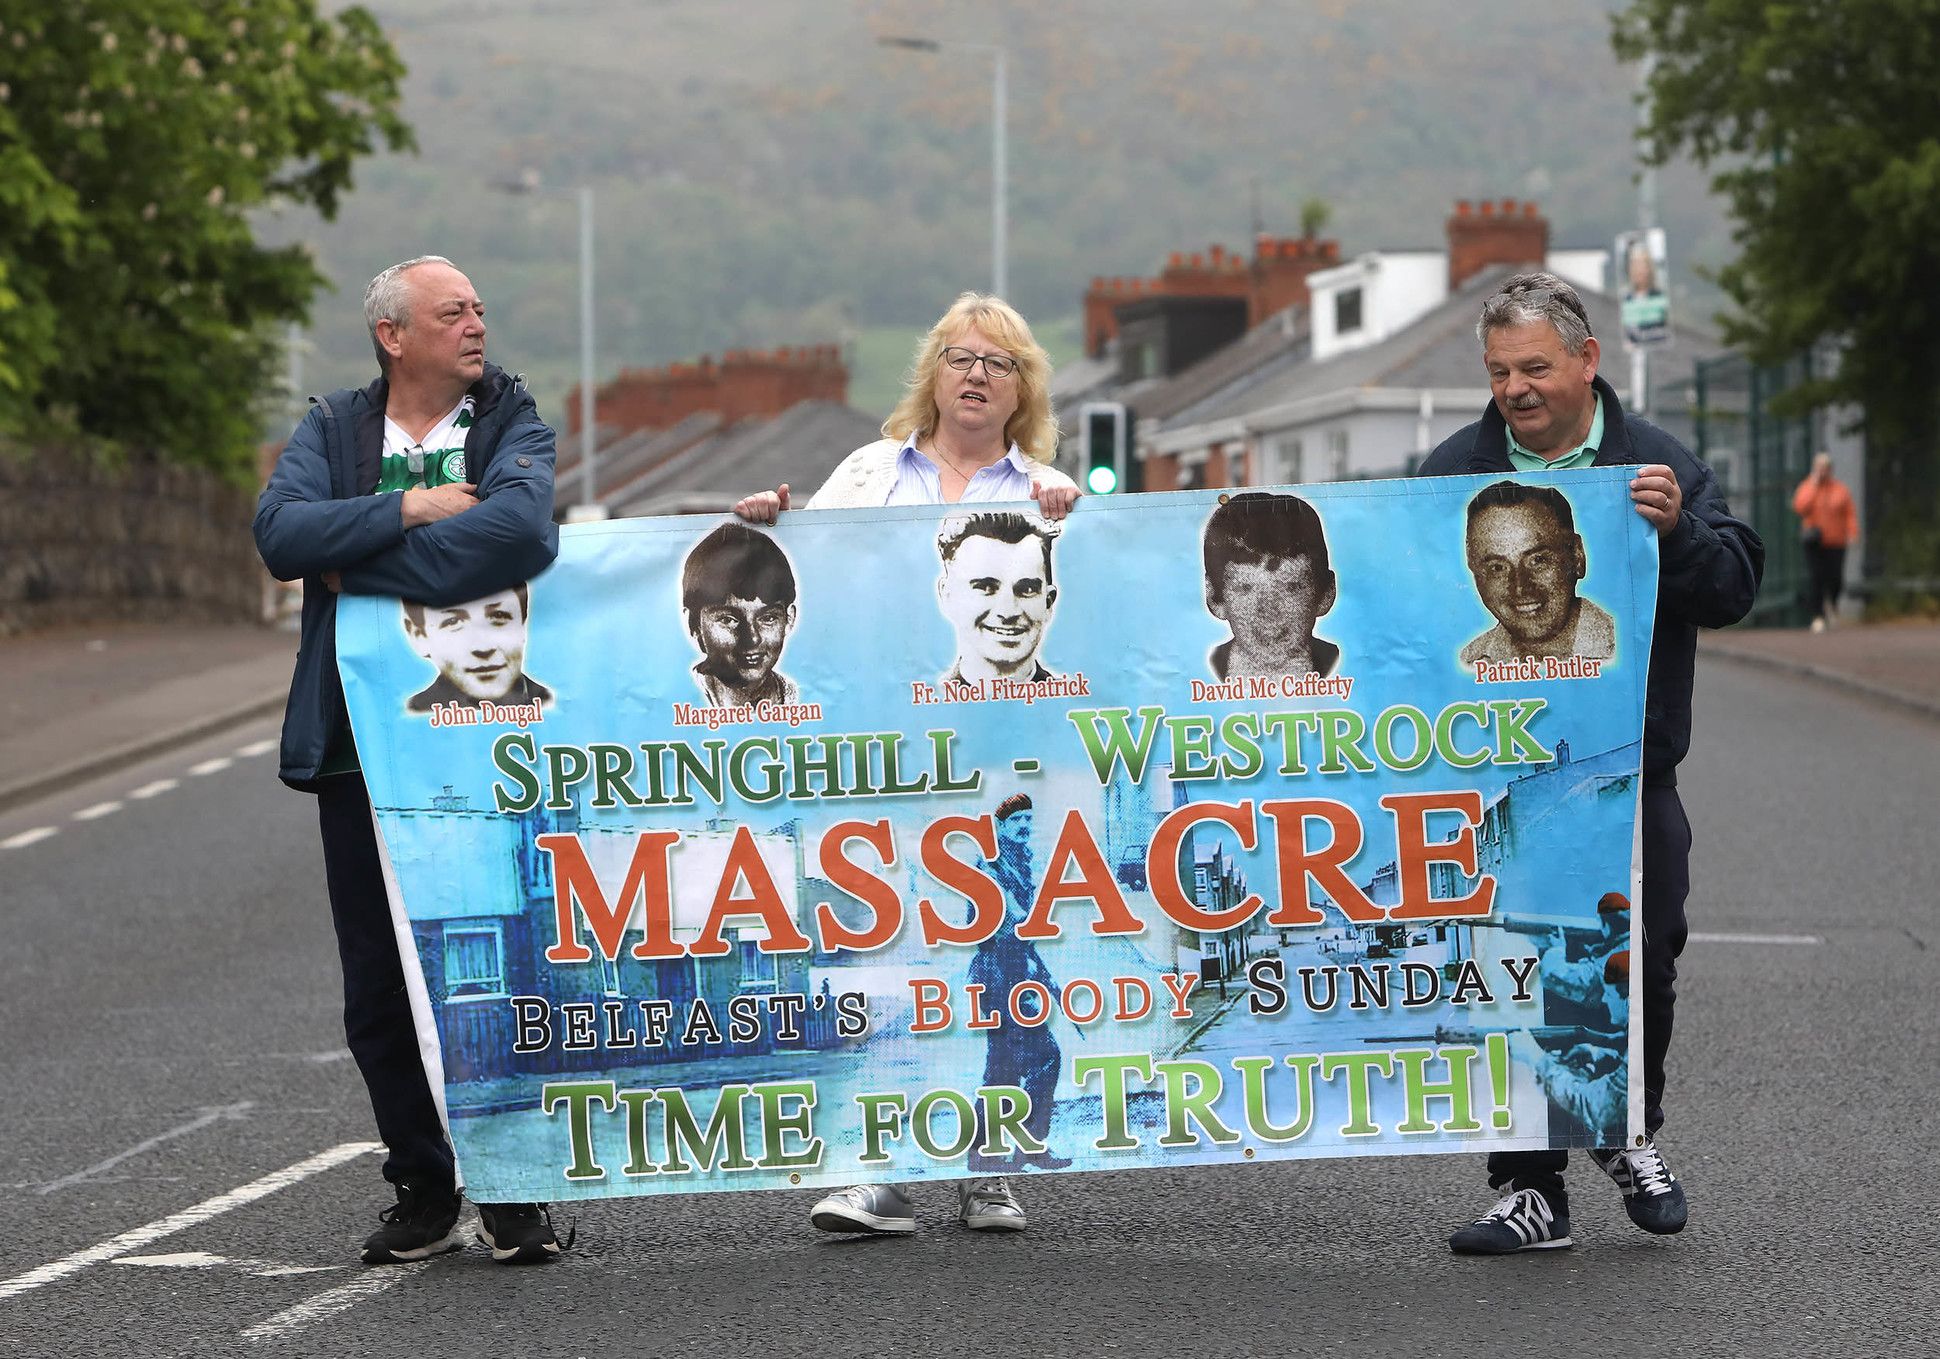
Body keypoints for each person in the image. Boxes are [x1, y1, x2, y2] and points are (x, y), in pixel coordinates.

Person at [1417, 270, 1763, 1255]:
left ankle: (1621, 1130)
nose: (1514, 388)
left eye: (1533, 367)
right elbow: (1392, 614)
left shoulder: (1656, 464)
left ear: (1585, 361)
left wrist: (1679, 533)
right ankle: (1526, 1188)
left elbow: (1734, 585)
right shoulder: (1448, 472)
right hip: (1490, 782)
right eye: (1496, 372)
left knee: (1641, 956)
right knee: (1506, 970)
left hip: (1627, 773)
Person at [733, 292, 1078, 1237]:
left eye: (997, 363)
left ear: (1022, 389)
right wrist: (774, 524)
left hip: (1006, 790)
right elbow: (814, 585)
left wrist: (1079, 520)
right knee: (885, 976)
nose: (975, 374)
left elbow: (1101, 619)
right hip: (887, 777)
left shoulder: (1048, 491)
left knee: (1006, 974)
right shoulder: (869, 472)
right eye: (959, 356)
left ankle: (993, 1163)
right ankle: (873, 1171)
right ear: (931, 373)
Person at [254, 255, 567, 1266]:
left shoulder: (511, 421)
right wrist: (408, 509)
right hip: (358, 747)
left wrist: (354, 568)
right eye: (452, 312)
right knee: (379, 989)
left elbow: (517, 536)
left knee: (498, 966)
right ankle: (424, 1184)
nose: (477, 324)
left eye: (480, 306)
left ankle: (516, 1186)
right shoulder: (335, 430)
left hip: (485, 746)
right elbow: (279, 533)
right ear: (394, 334)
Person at [1460, 481, 1616, 665]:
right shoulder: (1467, 664)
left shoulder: (1627, 645)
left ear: (1577, 556)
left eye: (1538, 560)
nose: (1520, 588)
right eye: (1497, 568)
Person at [1201, 491, 1340, 680]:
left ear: (1325, 595)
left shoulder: (1346, 665)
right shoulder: (1201, 670)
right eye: (1245, 588)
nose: (1268, 611)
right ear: (1215, 599)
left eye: (1290, 587)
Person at [680, 522, 800, 707]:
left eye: (768, 618)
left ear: (789, 619)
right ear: (693, 623)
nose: (752, 639)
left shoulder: (808, 700)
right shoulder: (676, 699)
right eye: (728, 620)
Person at [935, 511, 1061, 684]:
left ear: (1048, 603)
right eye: (986, 587)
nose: (1008, 612)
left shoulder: (1073, 703)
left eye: (1027, 589)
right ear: (948, 595)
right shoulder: (925, 706)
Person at [402, 584, 552, 714]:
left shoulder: (552, 704)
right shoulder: (412, 713)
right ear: (419, 636)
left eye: (499, 615)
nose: (483, 648)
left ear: (523, 626)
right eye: (453, 622)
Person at [1792, 452, 1859, 632]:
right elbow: (1800, 507)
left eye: (1826, 468)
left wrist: (1853, 532)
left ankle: (1833, 603)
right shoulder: (1807, 486)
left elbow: (1849, 512)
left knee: (1835, 579)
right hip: (1814, 542)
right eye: (1819, 467)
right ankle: (1818, 616)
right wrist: (1814, 485)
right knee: (1816, 578)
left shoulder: (1840, 489)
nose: (1823, 471)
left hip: (1836, 541)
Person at [1619, 237, 1668, 347]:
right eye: (1635, 265)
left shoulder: (1658, 297)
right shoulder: (1627, 299)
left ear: (1649, 268)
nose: (1638, 270)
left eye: (1642, 265)